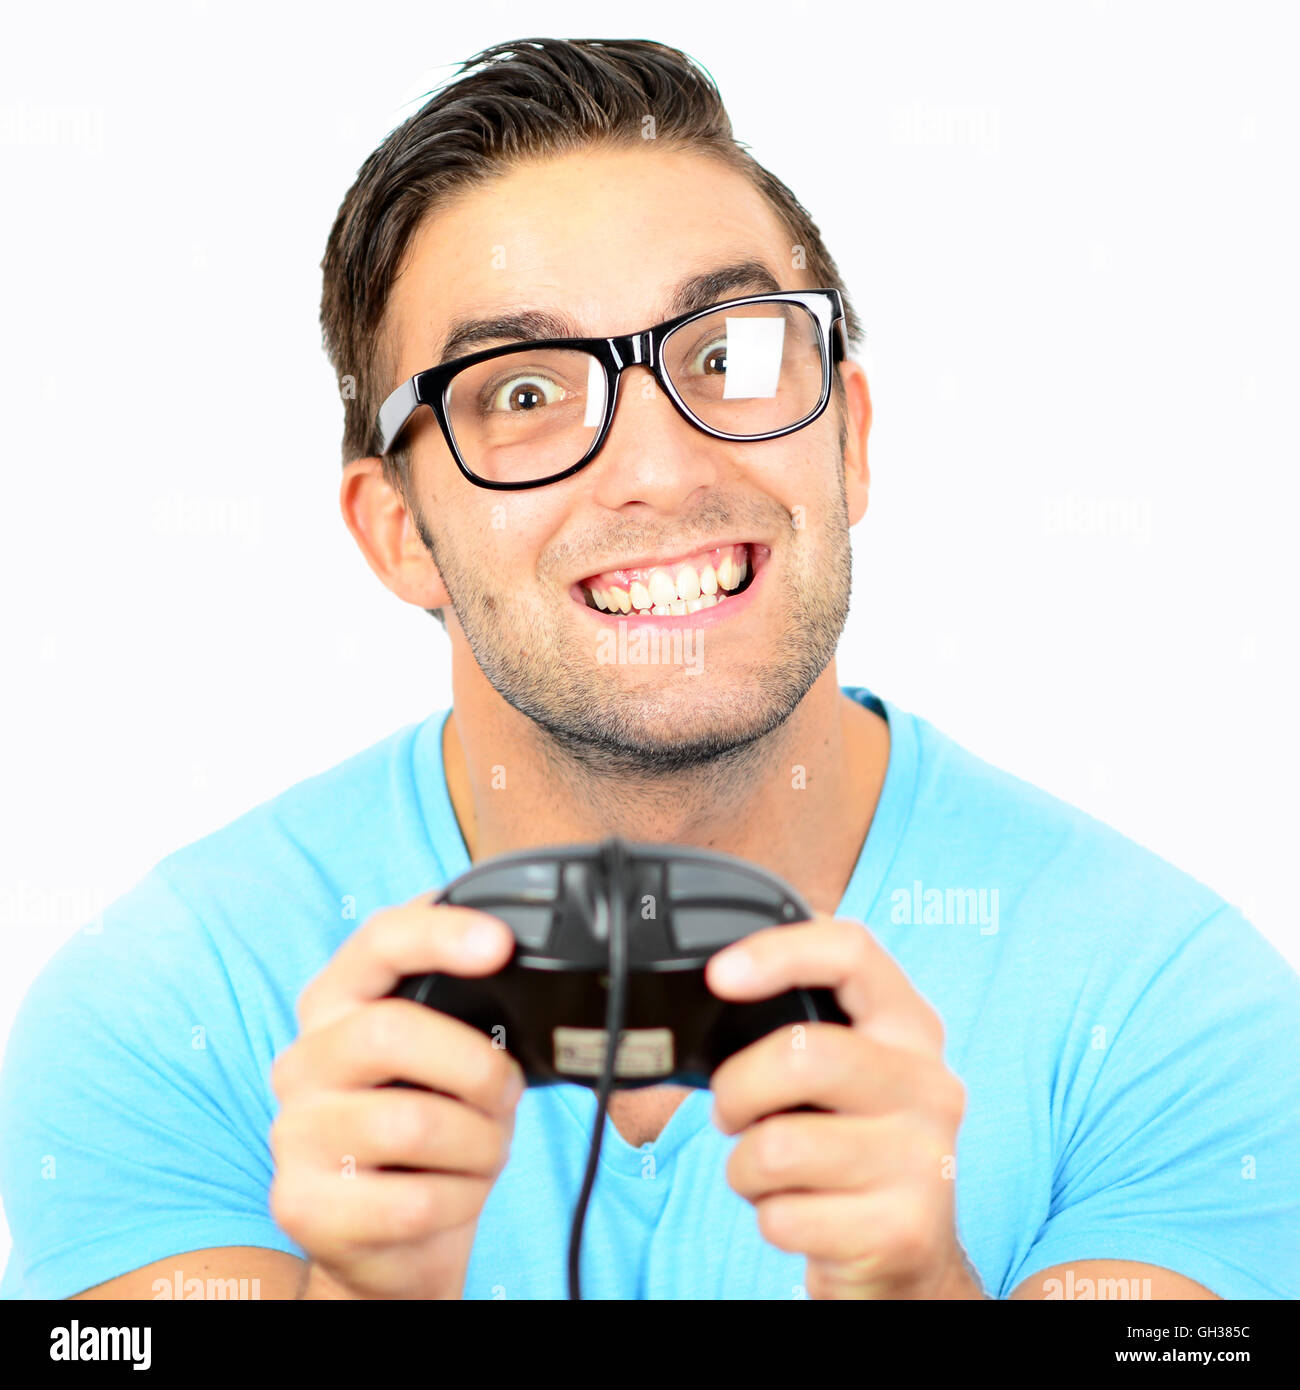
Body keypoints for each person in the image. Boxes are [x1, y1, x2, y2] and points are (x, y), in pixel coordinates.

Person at [2, 37, 1297, 1302]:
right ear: (400, 534)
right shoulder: (163, 1011)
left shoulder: (1176, 1013)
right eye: (521, 393)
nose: (663, 468)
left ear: (848, 440)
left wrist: (910, 1295)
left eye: (729, 355)